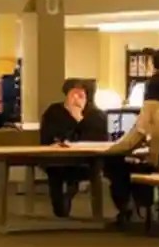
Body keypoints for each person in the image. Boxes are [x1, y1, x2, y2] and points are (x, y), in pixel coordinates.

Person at [106, 50, 159, 223]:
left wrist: (113, 150)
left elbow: (138, 134)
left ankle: (132, 207)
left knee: (118, 165)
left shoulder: (152, 102)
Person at [39, 78, 108, 218]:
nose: (76, 98)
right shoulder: (54, 111)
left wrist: (78, 118)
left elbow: (98, 140)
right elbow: (48, 136)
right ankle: (60, 207)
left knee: (91, 168)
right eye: (73, 94)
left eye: (80, 94)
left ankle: (71, 191)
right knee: (55, 170)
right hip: (57, 159)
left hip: (87, 161)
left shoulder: (96, 115)